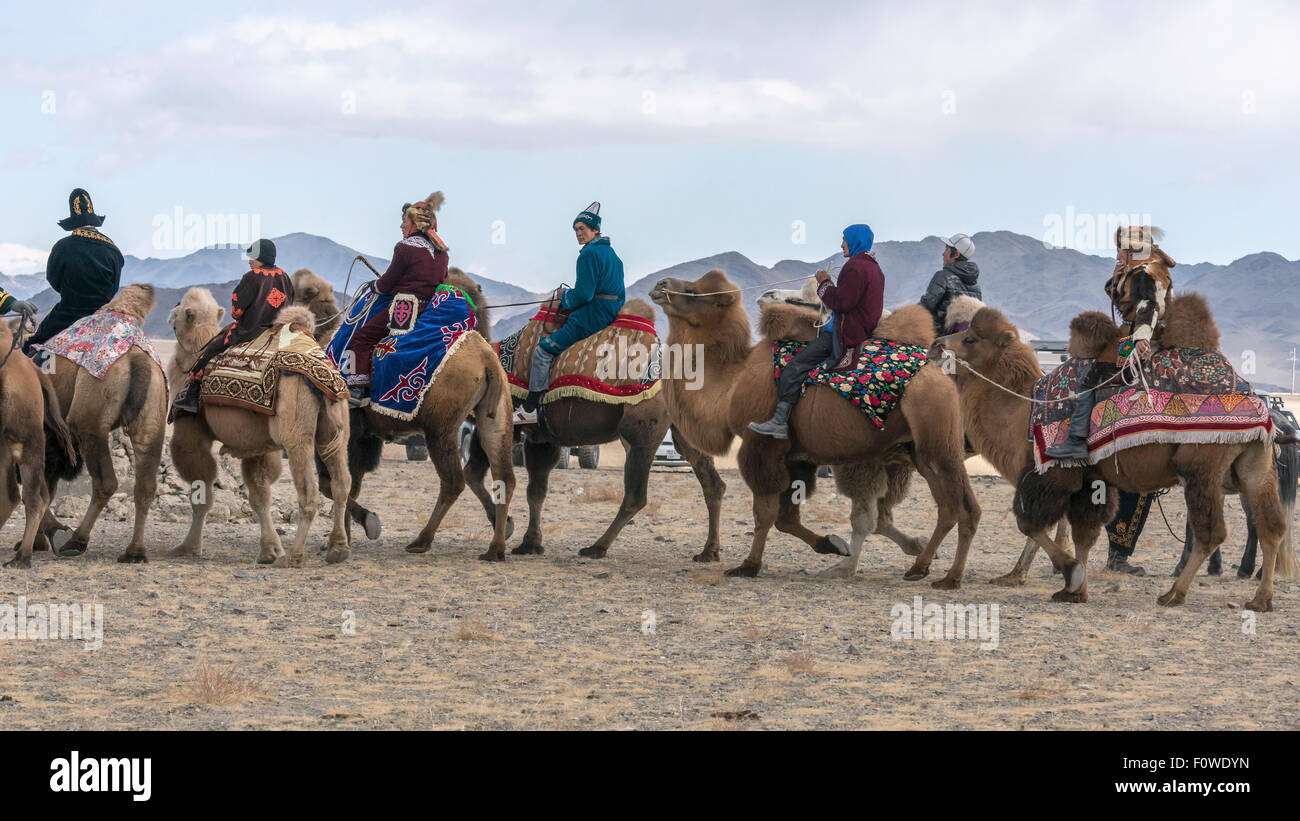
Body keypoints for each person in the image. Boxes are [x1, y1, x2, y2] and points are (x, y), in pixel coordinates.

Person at [1045, 226, 1172, 459]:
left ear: (1132, 250)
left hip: (1132, 337)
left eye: (1120, 250)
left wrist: (1141, 337)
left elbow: (1147, 305)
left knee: (1091, 379)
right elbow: (1120, 297)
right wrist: (1118, 274)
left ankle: (1076, 439)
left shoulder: (1144, 274)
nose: (1117, 255)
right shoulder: (1149, 270)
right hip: (1140, 333)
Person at [749, 223, 884, 439]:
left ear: (855, 241)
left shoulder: (855, 268)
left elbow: (842, 302)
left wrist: (824, 282)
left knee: (795, 365)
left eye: (845, 240)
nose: (842, 245)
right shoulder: (874, 268)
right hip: (862, 331)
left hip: (845, 334)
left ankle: (779, 421)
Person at [512, 202, 625, 425]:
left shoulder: (588, 254)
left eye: (583, 228)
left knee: (543, 350)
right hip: (610, 312)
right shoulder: (612, 254)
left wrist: (564, 297)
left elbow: (583, 295)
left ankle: (530, 407)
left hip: (592, 315)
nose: (578, 233)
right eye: (576, 230)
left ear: (595, 230)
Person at [344, 193, 450, 406]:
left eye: (404, 221)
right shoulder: (442, 253)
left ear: (413, 223)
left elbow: (386, 284)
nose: (401, 226)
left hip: (405, 308)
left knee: (362, 338)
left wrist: (374, 285)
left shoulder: (405, 247)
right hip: (430, 309)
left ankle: (358, 390)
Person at [172, 239, 294, 413]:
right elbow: (290, 302)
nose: (250, 260)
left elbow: (237, 311)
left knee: (211, 350)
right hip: (279, 330)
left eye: (253, 257)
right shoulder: (284, 276)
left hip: (251, 330)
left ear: (262, 257)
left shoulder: (252, 277)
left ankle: (192, 395)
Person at [24, 188, 124, 355]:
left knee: (36, 347)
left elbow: (53, 279)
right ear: (94, 219)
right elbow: (113, 288)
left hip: (68, 314)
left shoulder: (62, 247)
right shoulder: (114, 250)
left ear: (73, 220)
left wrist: (71, 293)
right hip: (103, 316)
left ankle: (44, 375)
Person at [919, 233, 980, 334]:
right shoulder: (976, 286)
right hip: (962, 342)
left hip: (939, 340)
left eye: (946, 249)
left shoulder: (942, 276)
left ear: (956, 254)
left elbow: (924, 307)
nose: (943, 254)